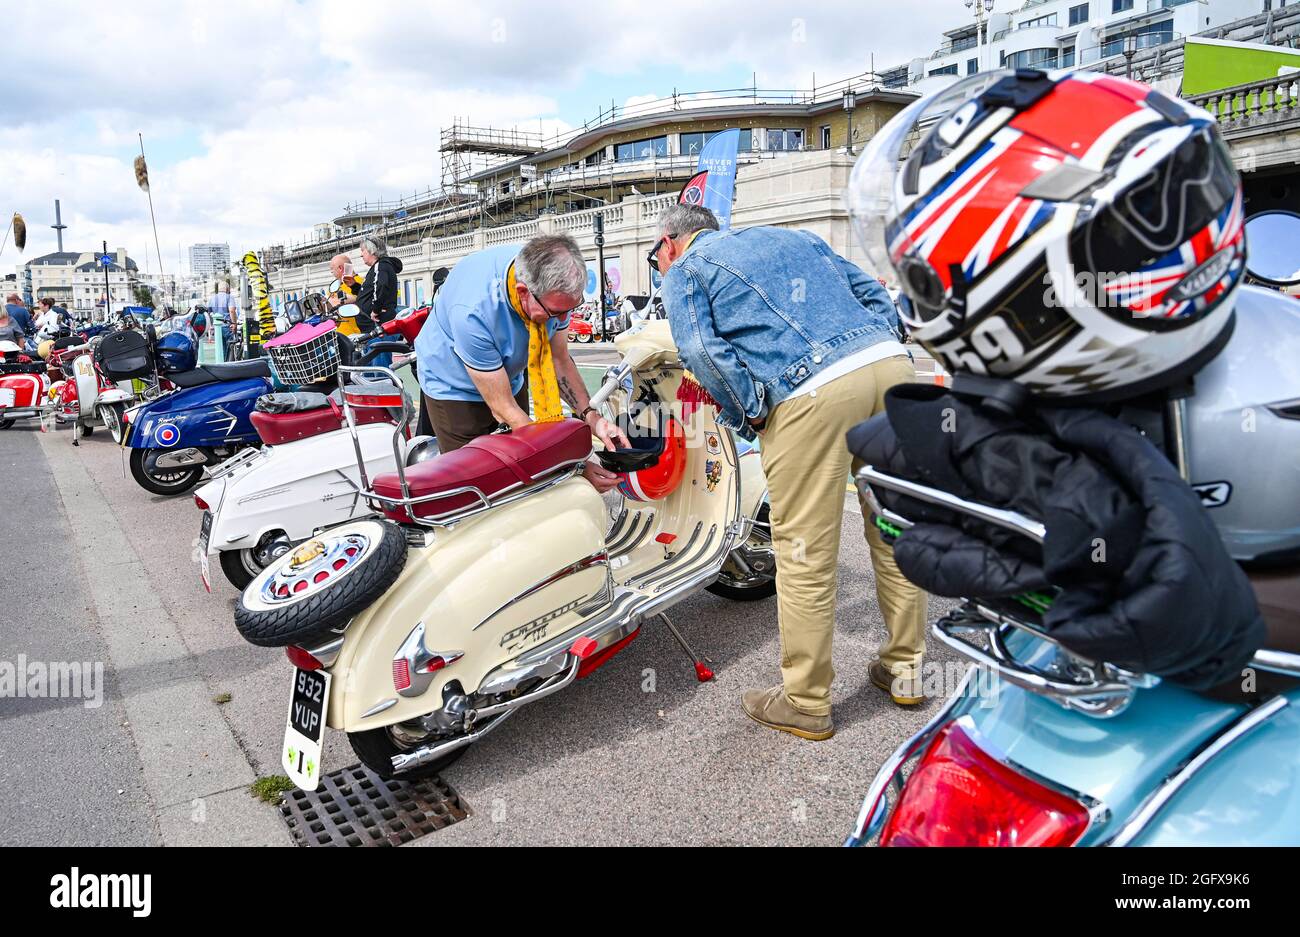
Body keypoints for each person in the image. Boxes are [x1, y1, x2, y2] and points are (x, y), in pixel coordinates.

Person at [653, 203, 927, 741]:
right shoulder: (797, 238)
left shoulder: (687, 269)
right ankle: (906, 670)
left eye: (654, 256)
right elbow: (872, 293)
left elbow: (700, 350)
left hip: (811, 392)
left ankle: (805, 700)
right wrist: (880, 341)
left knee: (805, 552)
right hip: (890, 369)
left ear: (670, 244)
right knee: (893, 529)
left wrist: (750, 410)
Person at [413, 233, 629, 490]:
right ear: (523, 292)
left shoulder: (549, 286)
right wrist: (573, 466)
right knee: (479, 482)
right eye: (555, 313)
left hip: (509, 369)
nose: (560, 320)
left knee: (525, 465)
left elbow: (559, 360)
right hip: (453, 385)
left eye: (569, 309)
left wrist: (592, 419)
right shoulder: (473, 312)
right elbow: (503, 409)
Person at [207, 282, 239, 360]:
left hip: (217, 327)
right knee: (231, 348)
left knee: (220, 348)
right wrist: (234, 323)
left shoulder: (212, 298)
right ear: (227, 289)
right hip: (227, 326)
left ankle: (222, 363)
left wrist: (211, 325)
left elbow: (207, 312)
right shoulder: (229, 297)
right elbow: (232, 311)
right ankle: (230, 365)